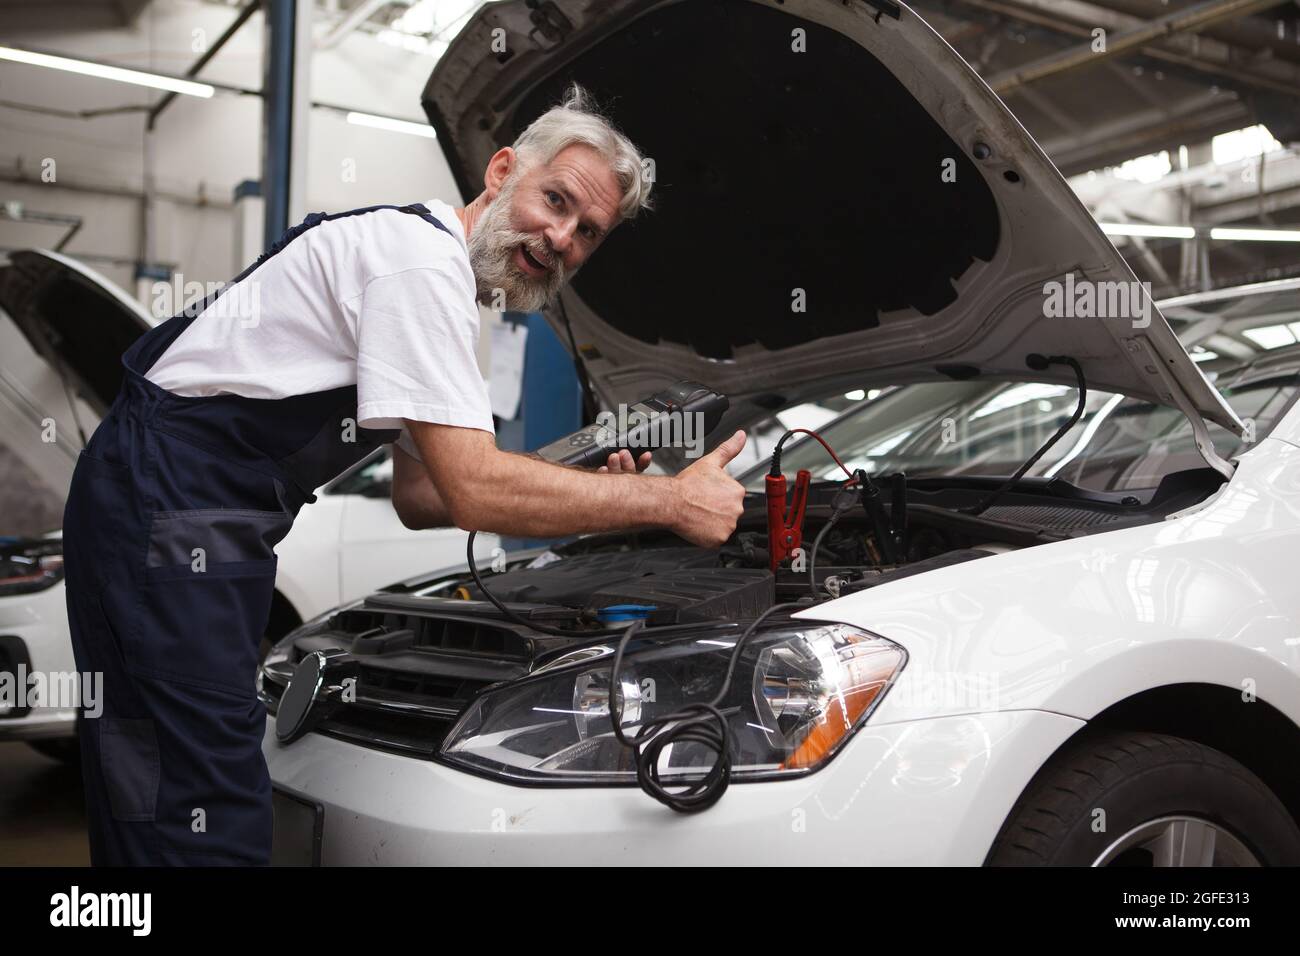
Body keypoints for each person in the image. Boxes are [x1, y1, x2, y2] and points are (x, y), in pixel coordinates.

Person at [62, 84, 747, 865]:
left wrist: (589, 479)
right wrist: (665, 500)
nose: (560, 236)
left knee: (150, 767)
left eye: (587, 231)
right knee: (203, 799)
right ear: (500, 172)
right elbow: (472, 489)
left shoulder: (442, 289)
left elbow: (423, 497)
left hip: (175, 505)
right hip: (172, 504)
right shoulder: (418, 269)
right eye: (554, 200)